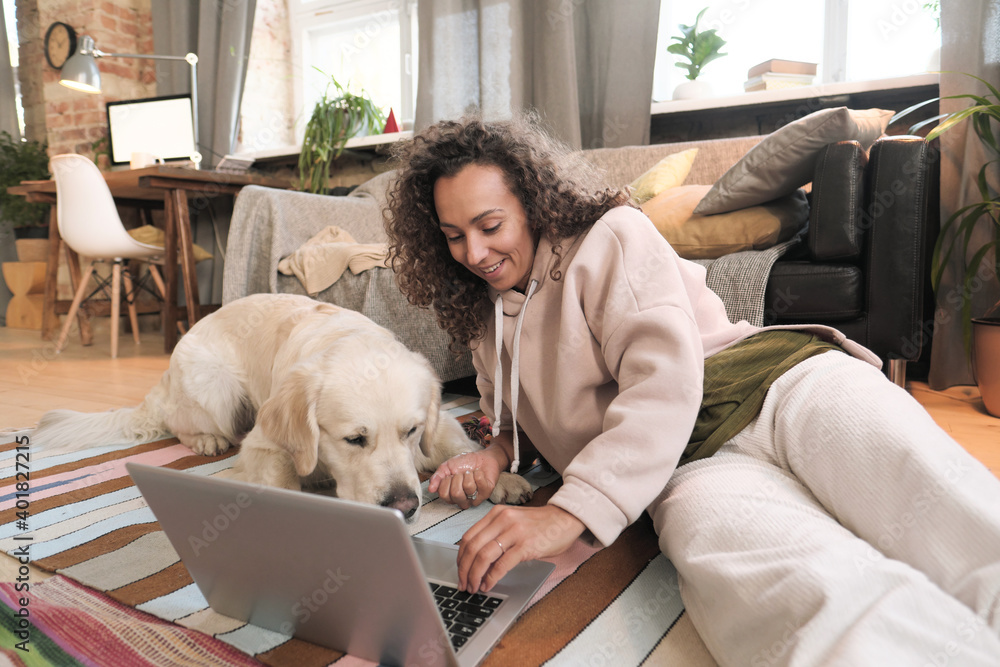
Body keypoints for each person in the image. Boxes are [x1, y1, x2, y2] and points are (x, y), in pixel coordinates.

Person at [383, 113, 1000, 666]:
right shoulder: (484, 324)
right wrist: (491, 457)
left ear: (532, 203)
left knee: (950, 509)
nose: (476, 252)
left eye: (490, 225)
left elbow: (663, 382)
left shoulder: (612, 236)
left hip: (782, 384)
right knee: (800, 592)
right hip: (682, 469)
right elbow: (513, 422)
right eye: (454, 234)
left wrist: (568, 511)